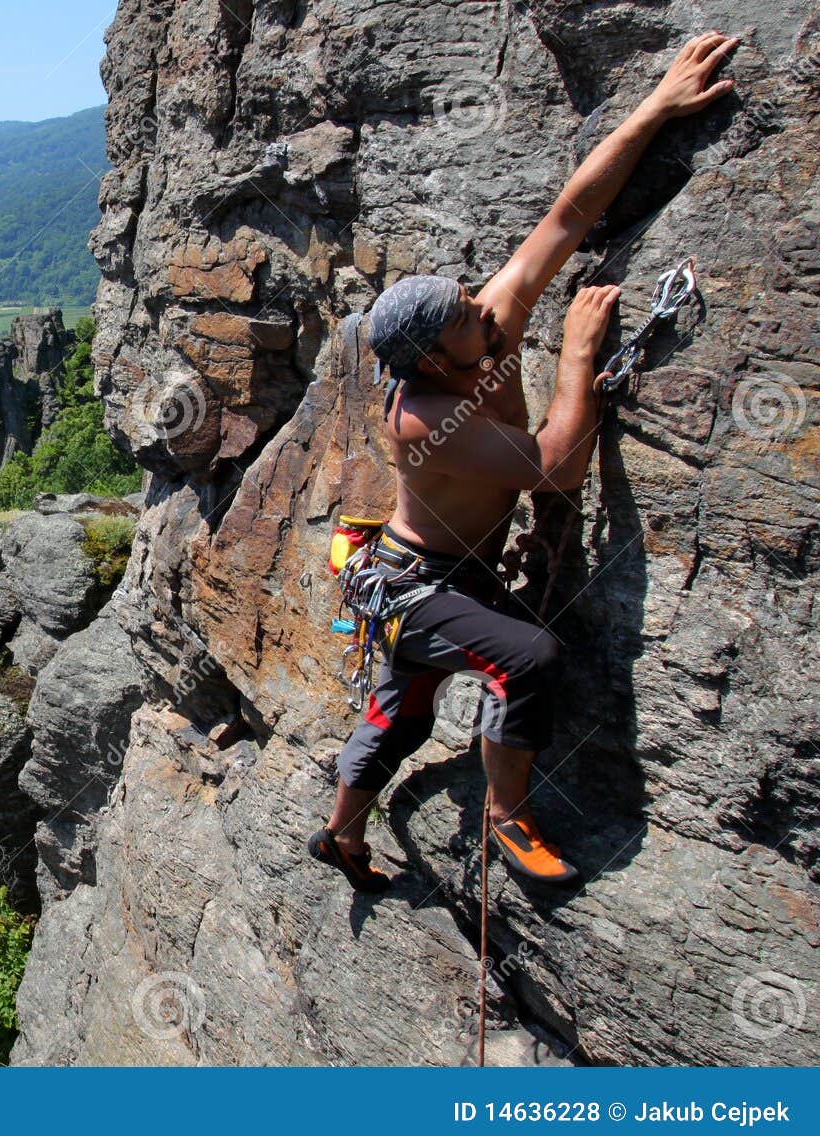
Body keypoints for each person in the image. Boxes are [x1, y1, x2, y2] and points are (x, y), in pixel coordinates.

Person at [310, 31, 740, 892]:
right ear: (434, 358)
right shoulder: (425, 418)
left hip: (436, 572)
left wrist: (655, 107)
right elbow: (556, 467)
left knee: (403, 708)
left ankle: (340, 836)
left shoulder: (482, 329)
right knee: (527, 658)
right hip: (420, 581)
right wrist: (578, 356)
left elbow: (568, 214)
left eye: (471, 296)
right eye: (466, 312)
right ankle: (506, 818)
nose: (487, 304)